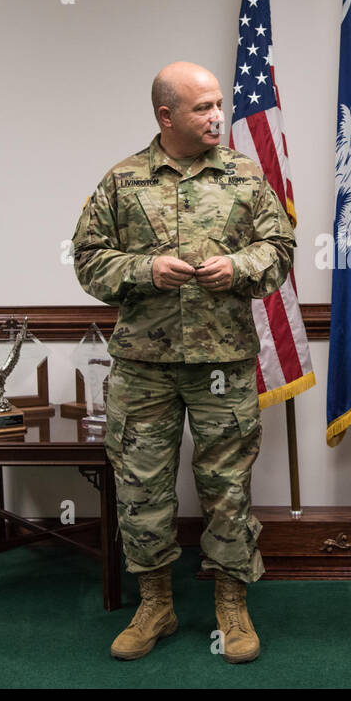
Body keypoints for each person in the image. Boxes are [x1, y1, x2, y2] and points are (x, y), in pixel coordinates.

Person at [71, 61, 295, 664]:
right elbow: (88, 261)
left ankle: (230, 601)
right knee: (141, 488)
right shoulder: (122, 181)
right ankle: (156, 604)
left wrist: (241, 268)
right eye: (203, 108)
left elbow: (280, 249)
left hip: (222, 360)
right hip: (144, 366)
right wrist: (143, 270)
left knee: (227, 486)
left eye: (219, 103)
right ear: (166, 116)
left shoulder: (246, 178)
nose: (218, 116)